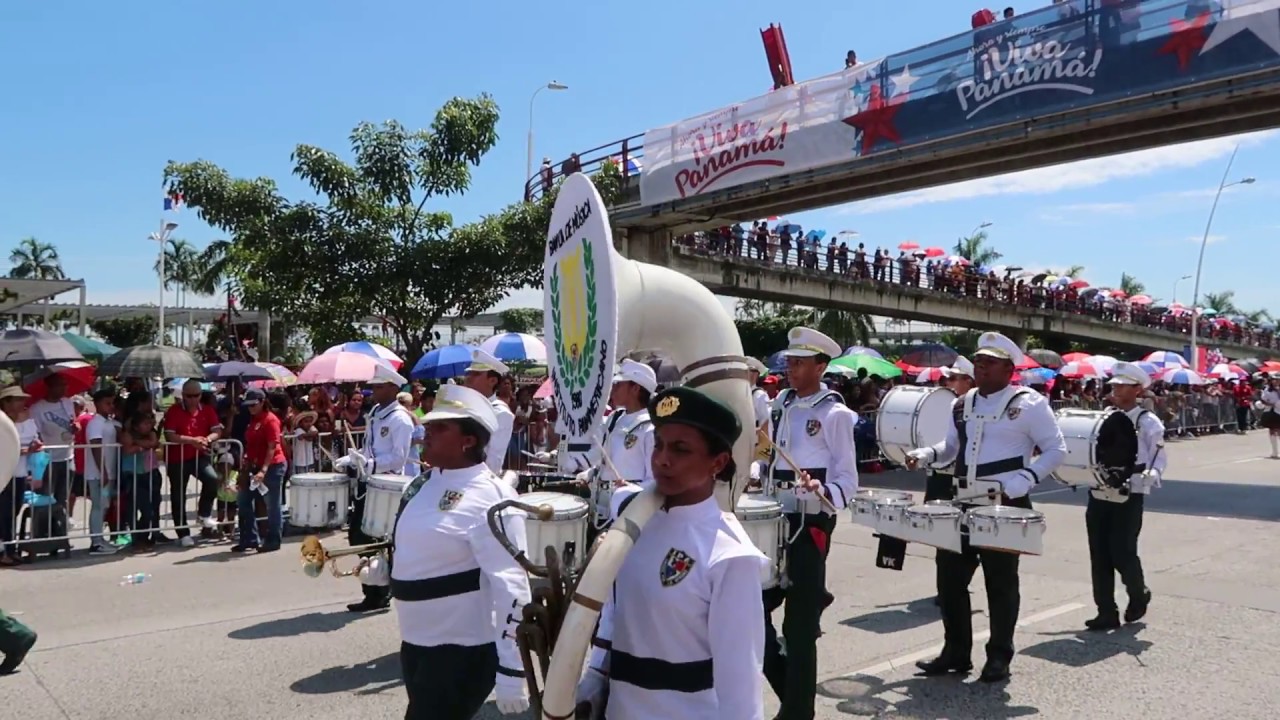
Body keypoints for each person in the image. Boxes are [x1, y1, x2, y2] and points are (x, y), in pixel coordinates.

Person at [577, 386, 767, 720]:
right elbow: (615, 607)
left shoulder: (730, 554)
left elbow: (741, 681)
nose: (663, 459)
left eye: (681, 449)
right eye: (660, 445)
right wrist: (596, 673)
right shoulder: (634, 517)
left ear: (718, 462)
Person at [904, 332, 1066, 683]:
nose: (981, 367)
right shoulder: (962, 403)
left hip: (1005, 501)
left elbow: (1056, 449)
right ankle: (956, 651)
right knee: (949, 579)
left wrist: (1026, 477)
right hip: (962, 500)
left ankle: (999, 656)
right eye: (978, 361)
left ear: (1009, 368)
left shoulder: (1029, 403)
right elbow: (951, 448)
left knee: (1000, 583)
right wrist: (927, 454)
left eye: (990, 362)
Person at [386, 384, 531, 719]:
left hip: (461, 649)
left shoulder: (492, 497)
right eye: (428, 424)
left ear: (469, 440)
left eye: (440, 428)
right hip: (416, 641)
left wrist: (512, 671)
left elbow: (512, 586)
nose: (426, 432)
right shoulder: (422, 483)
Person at [763, 327, 858, 720]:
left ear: (821, 366)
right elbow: (766, 454)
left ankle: (797, 711)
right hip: (771, 521)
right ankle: (793, 693)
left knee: (799, 630)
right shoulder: (780, 404)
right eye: (790, 362)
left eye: (801, 363)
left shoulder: (834, 414)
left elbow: (849, 481)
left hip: (809, 523)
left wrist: (824, 489)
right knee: (750, 613)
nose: (792, 369)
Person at [1085, 362, 1165, 630]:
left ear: (1137, 389)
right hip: (1100, 487)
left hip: (1129, 491)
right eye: (1114, 385)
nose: (1115, 389)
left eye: (1122, 385)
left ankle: (1138, 592)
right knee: (1099, 553)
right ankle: (1105, 610)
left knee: (1122, 551)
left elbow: (1158, 455)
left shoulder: (1146, 421)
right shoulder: (1105, 417)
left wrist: (1152, 474)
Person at [337, 377, 415, 612]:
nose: (375, 392)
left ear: (394, 388)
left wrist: (369, 464)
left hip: (386, 485)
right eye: (375, 387)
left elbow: (398, 458)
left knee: (372, 540)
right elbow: (369, 449)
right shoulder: (376, 414)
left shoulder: (399, 419)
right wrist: (354, 458)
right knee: (361, 538)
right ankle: (375, 590)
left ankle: (379, 592)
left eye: (380, 387)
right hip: (369, 482)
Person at [924, 356, 975, 606]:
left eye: (955, 378)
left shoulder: (974, 408)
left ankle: (955, 586)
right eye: (949, 378)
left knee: (962, 539)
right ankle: (946, 588)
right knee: (940, 536)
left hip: (960, 481)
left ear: (969, 381)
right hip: (939, 476)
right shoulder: (950, 404)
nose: (950, 382)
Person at [592, 359, 657, 521]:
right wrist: (589, 474)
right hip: (602, 505)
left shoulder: (650, 428)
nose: (613, 390)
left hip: (628, 509)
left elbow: (655, 480)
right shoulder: (615, 418)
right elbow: (605, 460)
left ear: (635, 388)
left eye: (618, 385)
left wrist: (631, 489)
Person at [234, 389, 287, 553]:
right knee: (243, 501)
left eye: (254, 404)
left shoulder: (270, 420)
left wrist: (263, 470)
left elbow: (272, 447)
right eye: (248, 405)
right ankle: (249, 538)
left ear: (262, 402)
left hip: (272, 467)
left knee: (272, 505)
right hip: (254, 466)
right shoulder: (253, 420)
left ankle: (273, 540)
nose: (251, 408)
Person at [462, 348, 515, 474]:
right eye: (469, 373)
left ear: (492, 381)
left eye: (475, 374)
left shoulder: (500, 412)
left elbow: (493, 461)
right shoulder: (465, 407)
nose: (468, 378)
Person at [1260, 375, 1280, 458]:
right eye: (1274, 380)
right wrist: (1271, 404)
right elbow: (1263, 400)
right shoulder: (1267, 390)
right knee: (1272, 430)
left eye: (1278, 380)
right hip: (1272, 411)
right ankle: (1274, 451)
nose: (1276, 381)